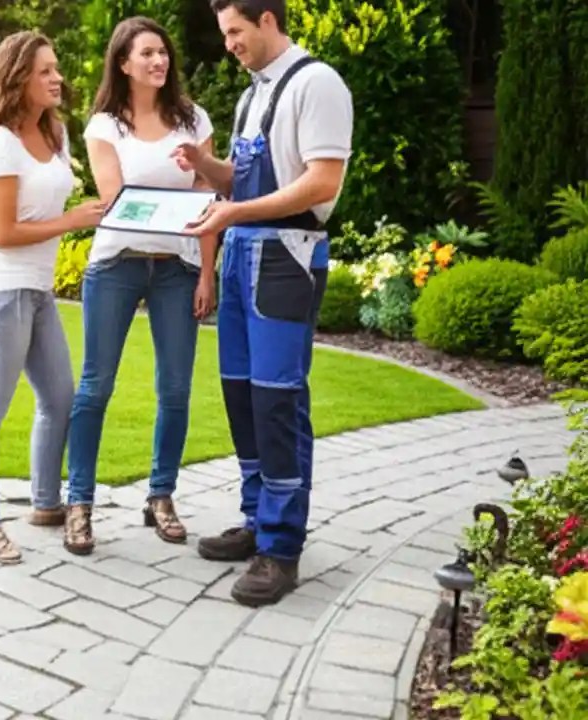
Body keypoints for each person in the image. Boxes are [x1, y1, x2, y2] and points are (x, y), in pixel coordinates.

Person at [175, 0, 353, 606]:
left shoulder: (317, 84)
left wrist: (235, 212)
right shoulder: (253, 95)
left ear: (268, 20)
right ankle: (257, 518)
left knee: (278, 400)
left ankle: (281, 548)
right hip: (243, 257)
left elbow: (321, 183)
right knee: (242, 396)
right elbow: (242, 178)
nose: (228, 44)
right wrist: (205, 166)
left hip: (286, 258)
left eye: (235, 31)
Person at [61, 17, 219, 556]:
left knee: (175, 390)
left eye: (163, 52)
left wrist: (205, 271)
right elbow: (115, 201)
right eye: (146, 53)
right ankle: (78, 502)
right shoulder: (105, 126)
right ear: (123, 63)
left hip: (177, 269)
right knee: (95, 386)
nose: (159, 61)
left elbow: (209, 204)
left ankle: (161, 496)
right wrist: (175, 199)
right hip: (118, 263)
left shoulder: (194, 121)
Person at [0, 30, 106, 565]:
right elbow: (3, 232)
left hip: (39, 292)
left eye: (56, 68)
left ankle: (46, 503)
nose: (57, 78)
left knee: (60, 397)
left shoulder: (56, 133)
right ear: (18, 76)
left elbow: (50, 202)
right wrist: (72, 220)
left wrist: (87, 208)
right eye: (45, 70)